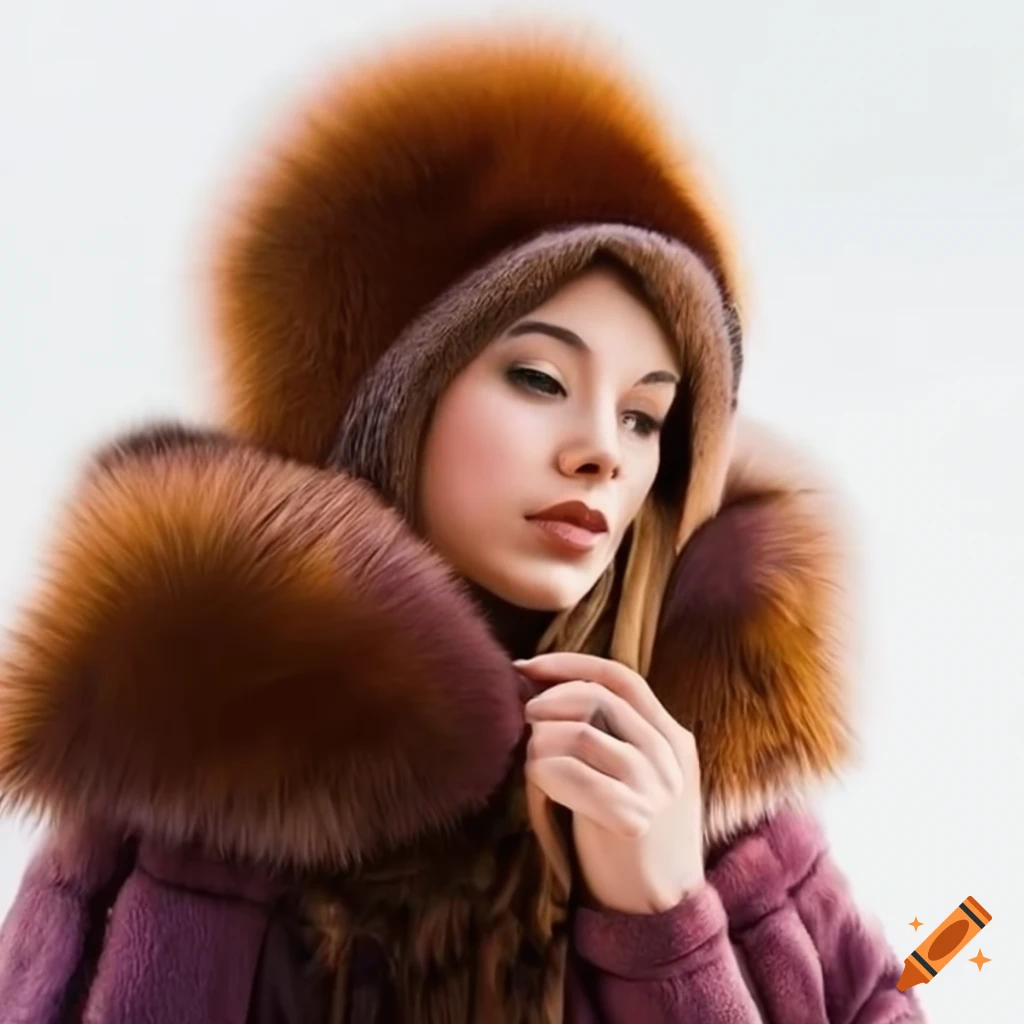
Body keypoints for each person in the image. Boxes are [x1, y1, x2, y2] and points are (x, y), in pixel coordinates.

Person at [0, 25, 924, 1024]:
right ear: (382, 394)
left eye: (646, 414)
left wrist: (666, 923)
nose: (602, 451)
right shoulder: (185, 789)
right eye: (538, 376)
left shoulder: (715, 806)